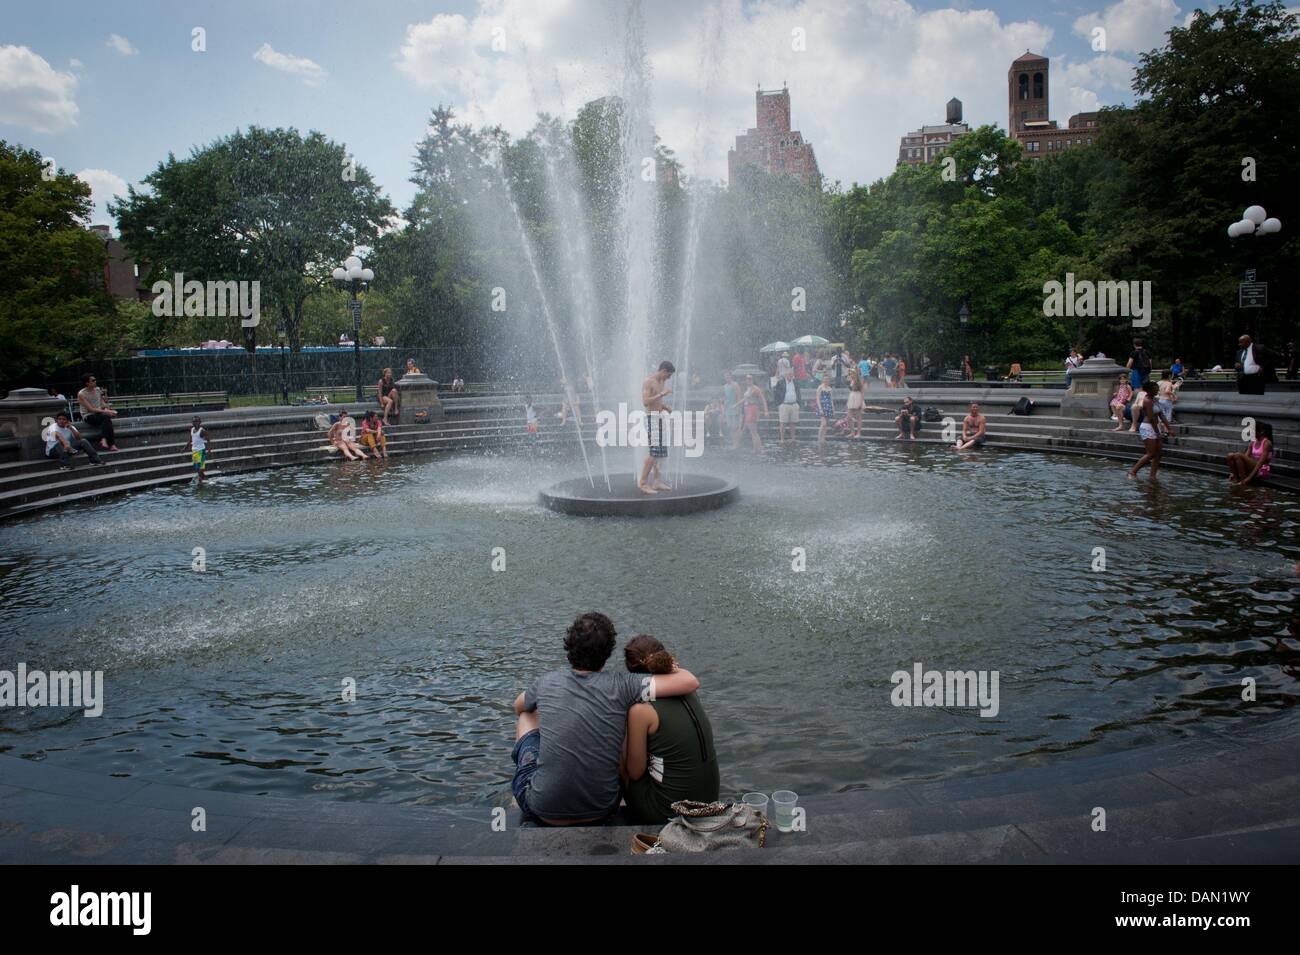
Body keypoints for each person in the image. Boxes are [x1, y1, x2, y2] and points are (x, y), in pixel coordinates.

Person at [510, 612, 700, 826]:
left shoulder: (547, 682)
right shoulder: (624, 685)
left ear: (569, 646)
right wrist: (667, 665)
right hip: (603, 809)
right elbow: (689, 682)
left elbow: (519, 706)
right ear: (608, 652)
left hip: (542, 809)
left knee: (527, 715)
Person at [619, 635, 720, 826]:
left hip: (668, 813)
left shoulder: (640, 710)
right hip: (710, 800)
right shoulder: (687, 688)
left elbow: (634, 772)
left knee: (618, 755)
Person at [638, 361, 675, 494]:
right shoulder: (649, 382)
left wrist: (665, 407)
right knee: (654, 453)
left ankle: (657, 482)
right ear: (663, 371)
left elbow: (657, 401)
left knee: (660, 453)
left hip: (659, 418)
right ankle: (642, 483)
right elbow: (645, 402)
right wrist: (662, 394)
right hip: (651, 419)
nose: (669, 378)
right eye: (669, 375)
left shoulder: (662, 382)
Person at [1128, 382, 1169, 479]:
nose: (1157, 390)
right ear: (1149, 390)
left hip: (1156, 426)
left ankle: (1152, 475)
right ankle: (1132, 472)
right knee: (1151, 454)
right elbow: (1151, 418)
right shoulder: (1147, 401)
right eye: (1155, 389)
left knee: (1158, 453)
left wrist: (1169, 428)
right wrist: (1158, 433)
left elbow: (1161, 414)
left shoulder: (1155, 399)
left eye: (1157, 388)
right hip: (1148, 427)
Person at [76, 374, 119, 452]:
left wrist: (109, 409)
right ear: (87, 383)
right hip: (88, 415)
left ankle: (105, 440)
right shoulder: (81, 394)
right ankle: (111, 444)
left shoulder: (98, 390)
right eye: (93, 380)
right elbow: (90, 409)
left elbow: (102, 404)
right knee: (106, 417)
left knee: (107, 418)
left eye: (95, 380)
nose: (95, 381)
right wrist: (106, 411)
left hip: (99, 413)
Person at [1227, 421, 1273, 485]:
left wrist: (1249, 478)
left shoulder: (1267, 443)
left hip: (1261, 469)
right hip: (1252, 466)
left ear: (1261, 431)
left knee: (1238, 455)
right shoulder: (1253, 442)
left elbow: (1260, 463)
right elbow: (1245, 457)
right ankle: (1236, 478)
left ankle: (1243, 481)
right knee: (1230, 455)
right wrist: (1233, 472)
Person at [734, 374, 768, 452]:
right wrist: (736, 404)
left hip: (752, 409)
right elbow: (744, 399)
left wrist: (766, 411)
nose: (748, 380)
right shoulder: (748, 388)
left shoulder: (755, 389)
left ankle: (759, 449)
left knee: (754, 431)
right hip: (748, 409)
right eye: (747, 379)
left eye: (750, 379)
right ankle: (756, 448)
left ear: (752, 380)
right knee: (752, 431)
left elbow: (763, 399)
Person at [774, 368, 801, 448]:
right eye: (789, 374)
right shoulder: (781, 382)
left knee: (793, 423)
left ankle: (793, 438)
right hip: (784, 404)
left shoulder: (795, 382)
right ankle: (782, 439)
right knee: (783, 423)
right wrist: (778, 403)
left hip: (794, 404)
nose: (790, 376)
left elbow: (798, 393)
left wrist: (799, 403)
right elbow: (775, 393)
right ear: (785, 375)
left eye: (791, 374)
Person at [188, 416, 210, 482]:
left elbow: (208, 440)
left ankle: (201, 480)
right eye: (194, 421)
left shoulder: (202, 431)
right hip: (194, 451)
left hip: (201, 451)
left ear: (200, 422)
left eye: (197, 421)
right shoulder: (192, 429)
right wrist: (184, 448)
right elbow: (190, 440)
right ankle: (204, 478)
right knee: (196, 467)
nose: (195, 423)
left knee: (200, 467)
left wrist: (209, 450)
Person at [722, 371, 741, 446]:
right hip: (728, 409)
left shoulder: (735, 385)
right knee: (730, 427)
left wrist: (738, 407)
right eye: (725, 376)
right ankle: (734, 443)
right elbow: (725, 398)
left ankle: (736, 443)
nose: (726, 378)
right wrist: (724, 410)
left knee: (735, 427)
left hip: (735, 409)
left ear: (731, 376)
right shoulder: (725, 386)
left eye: (728, 376)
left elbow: (739, 396)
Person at [815, 372, 834, 444]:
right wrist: (820, 408)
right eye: (825, 379)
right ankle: (819, 439)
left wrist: (833, 408)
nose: (826, 380)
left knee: (826, 424)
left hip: (828, 407)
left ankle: (823, 438)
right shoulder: (820, 387)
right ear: (822, 380)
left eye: (827, 379)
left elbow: (831, 399)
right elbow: (817, 398)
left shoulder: (830, 389)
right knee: (823, 423)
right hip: (822, 406)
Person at [1155, 371, 1177, 435]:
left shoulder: (1158, 382)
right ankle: (1166, 431)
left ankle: (1159, 431)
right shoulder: (1169, 383)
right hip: (1166, 400)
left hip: (1159, 400)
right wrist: (1173, 395)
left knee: (1160, 416)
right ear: (1169, 376)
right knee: (1167, 416)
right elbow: (1167, 391)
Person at [846, 369, 865, 438]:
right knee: (849, 416)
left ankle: (858, 433)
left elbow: (862, 392)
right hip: (851, 397)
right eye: (850, 373)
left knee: (858, 417)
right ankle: (852, 432)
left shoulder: (859, 381)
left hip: (858, 397)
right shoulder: (851, 380)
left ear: (855, 373)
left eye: (852, 373)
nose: (850, 374)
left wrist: (861, 402)